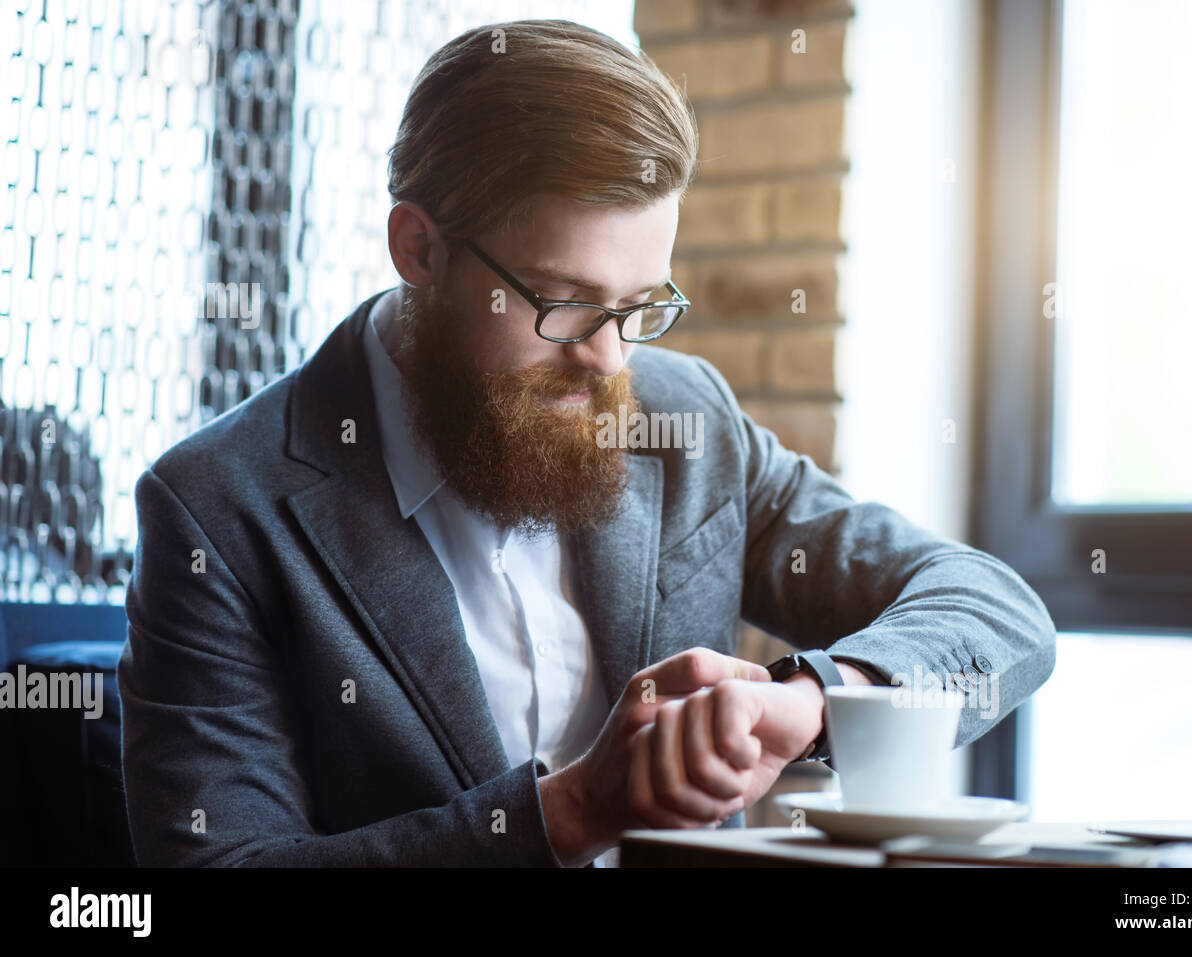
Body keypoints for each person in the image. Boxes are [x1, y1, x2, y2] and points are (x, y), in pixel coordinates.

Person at [118, 19, 1056, 868]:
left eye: (641, 306)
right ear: (420, 250)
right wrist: (570, 809)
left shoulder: (687, 420)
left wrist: (816, 701)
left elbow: (994, 610)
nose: (609, 360)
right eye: (562, 303)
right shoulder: (218, 508)